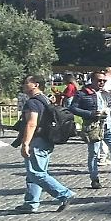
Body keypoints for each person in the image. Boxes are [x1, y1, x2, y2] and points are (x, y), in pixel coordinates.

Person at [14, 75, 75, 213]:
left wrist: (25, 143)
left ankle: (65, 194)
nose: (23, 85)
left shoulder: (32, 103)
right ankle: (31, 203)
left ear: (35, 85)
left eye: (26, 83)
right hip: (47, 139)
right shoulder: (45, 99)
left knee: (36, 173)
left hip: (37, 140)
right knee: (34, 173)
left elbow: (31, 123)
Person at [71, 71, 111, 189]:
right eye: (99, 80)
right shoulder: (83, 93)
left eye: (104, 81)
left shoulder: (107, 93)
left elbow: (110, 110)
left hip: (109, 126)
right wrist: (90, 114)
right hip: (93, 126)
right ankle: (94, 179)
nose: (102, 83)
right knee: (94, 153)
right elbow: (73, 108)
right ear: (92, 80)